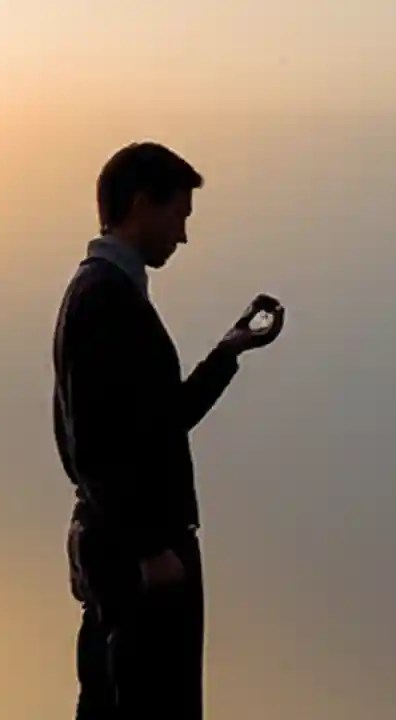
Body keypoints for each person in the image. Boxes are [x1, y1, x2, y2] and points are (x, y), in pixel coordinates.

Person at [52, 141, 286, 719]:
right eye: (178, 214)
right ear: (140, 204)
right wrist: (148, 547)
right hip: (140, 561)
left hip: (134, 551)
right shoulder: (102, 299)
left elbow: (160, 424)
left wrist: (229, 351)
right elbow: (93, 441)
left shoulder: (111, 295)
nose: (182, 235)